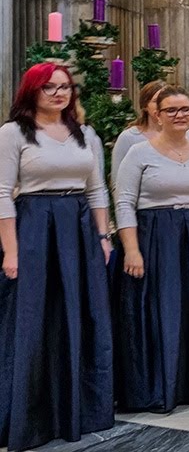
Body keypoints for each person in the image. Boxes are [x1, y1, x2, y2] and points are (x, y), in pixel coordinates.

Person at [0, 64, 113, 450]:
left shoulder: (85, 134)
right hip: (34, 226)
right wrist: (11, 250)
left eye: (65, 87)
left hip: (79, 226)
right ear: (32, 90)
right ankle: (29, 416)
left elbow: (97, 188)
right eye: (49, 87)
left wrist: (103, 235)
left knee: (79, 315)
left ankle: (77, 410)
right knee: (33, 319)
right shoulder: (13, 133)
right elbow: (1, 194)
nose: (58, 93)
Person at [114, 86, 189, 411]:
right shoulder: (139, 152)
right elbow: (124, 202)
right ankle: (158, 384)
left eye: (186, 109)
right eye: (171, 110)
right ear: (157, 114)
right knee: (162, 310)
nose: (180, 115)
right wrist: (132, 250)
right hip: (156, 236)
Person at [113, 80, 175, 176]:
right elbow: (118, 178)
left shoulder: (186, 134)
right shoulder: (129, 137)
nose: (161, 105)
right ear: (145, 105)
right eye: (156, 101)